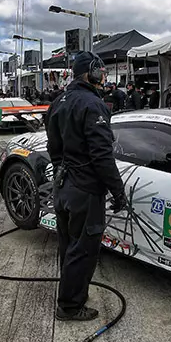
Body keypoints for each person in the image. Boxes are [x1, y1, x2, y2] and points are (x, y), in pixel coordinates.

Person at [46, 51, 128, 321]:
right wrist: (118, 191)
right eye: (101, 72)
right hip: (84, 190)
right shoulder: (93, 104)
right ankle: (70, 306)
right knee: (83, 250)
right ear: (90, 72)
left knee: (68, 246)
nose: (104, 77)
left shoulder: (58, 102)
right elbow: (102, 156)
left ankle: (73, 293)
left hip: (63, 187)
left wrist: (62, 173)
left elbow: (53, 148)